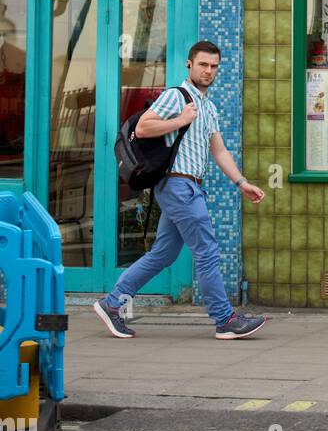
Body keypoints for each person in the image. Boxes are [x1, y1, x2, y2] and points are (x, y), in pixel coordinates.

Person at [94, 40, 267, 340]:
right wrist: (181, 120)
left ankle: (113, 304)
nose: (208, 71)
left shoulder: (208, 107)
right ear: (189, 64)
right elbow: (144, 128)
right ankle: (224, 319)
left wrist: (241, 183)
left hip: (189, 186)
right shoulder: (177, 96)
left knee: (163, 254)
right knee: (207, 250)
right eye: (203, 64)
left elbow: (219, 151)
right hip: (178, 184)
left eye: (213, 66)